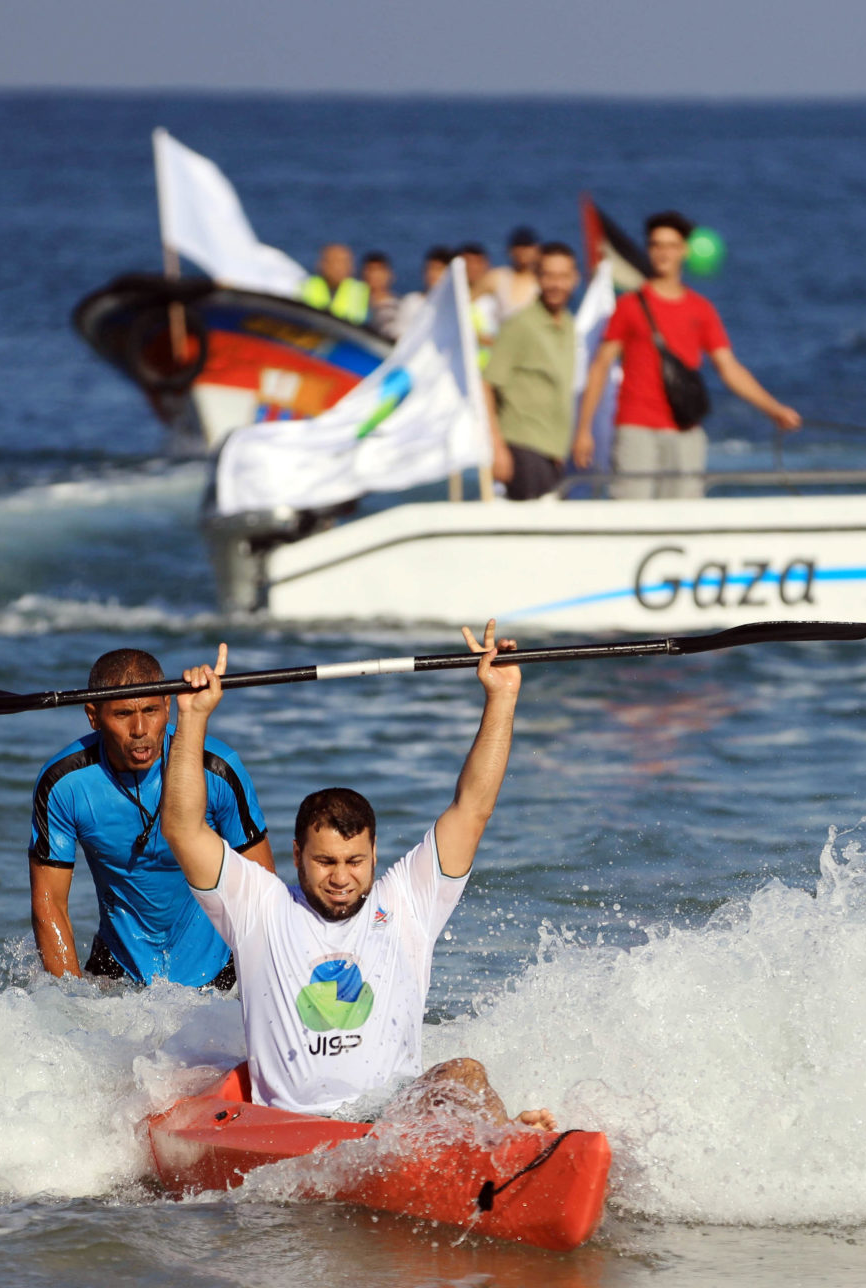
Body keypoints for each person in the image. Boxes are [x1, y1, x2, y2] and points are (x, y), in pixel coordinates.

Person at [159, 624, 553, 1131]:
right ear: (298, 855)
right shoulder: (260, 906)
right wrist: (192, 719)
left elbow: (472, 809)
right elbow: (182, 827)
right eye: (325, 862)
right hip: (293, 1129)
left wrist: (502, 695)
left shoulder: (408, 899)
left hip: (393, 1126)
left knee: (465, 1073)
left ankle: (507, 1150)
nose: (342, 878)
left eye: (355, 861)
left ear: (373, 854)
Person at [30, 648, 276, 988]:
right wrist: (70, 1004)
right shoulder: (63, 784)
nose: (140, 729)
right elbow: (49, 904)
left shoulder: (218, 769)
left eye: (150, 710)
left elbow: (263, 892)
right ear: (93, 715)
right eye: (122, 714)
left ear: (168, 706)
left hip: (221, 970)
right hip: (118, 970)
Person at [572, 210, 802, 498]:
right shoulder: (630, 305)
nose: (663, 253)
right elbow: (601, 365)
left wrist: (774, 409)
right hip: (636, 428)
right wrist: (584, 430)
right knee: (630, 515)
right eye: (656, 245)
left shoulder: (701, 309)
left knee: (685, 517)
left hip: (686, 431)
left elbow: (729, 368)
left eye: (670, 245)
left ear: (684, 251)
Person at [484, 241, 580, 501]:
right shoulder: (519, 324)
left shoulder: (570, 325)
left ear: (575, 279)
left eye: (562, 276)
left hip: (554, 451)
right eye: (548, 276)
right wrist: (497, 448)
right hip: (522, 446)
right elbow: (487, 385)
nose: (555, 285)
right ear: (537, 278)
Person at [483, 226, 542, 324]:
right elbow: (465, 302)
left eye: (527, 246)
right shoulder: (497, 277)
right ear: (510, 250)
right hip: (501, 337)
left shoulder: (543, 281)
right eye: (518, 246)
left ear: (537, 250)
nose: (523, 251)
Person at [300, 243, 370, 325]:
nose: (338, 267)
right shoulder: (305, 286)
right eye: (333, 261)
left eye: (343, 262)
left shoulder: (365, 292)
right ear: (321, 264)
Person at [395, 245, 453, 336]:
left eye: (439, 269)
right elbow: (398, 335)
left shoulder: (454, 306)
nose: (432, 274)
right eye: (430, 268)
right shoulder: (411, 301)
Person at [457, 242, 500, 353]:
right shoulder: (450, 302)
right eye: (468, 263)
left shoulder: (496, 300)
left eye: (477, 262)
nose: (472, 268)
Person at [360, 251, 401, 339]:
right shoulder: (355, 302)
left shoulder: (398, 308)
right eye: (370, 270)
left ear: (389, 275)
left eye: (378, 270)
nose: (373, 275)